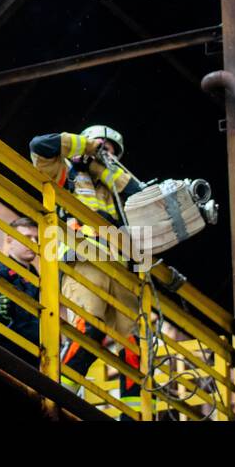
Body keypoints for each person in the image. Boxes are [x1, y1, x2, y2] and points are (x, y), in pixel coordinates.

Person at [29, 124, 145, 417]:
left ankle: (133, 415)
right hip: (83, 257)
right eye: (101, 146)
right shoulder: (66, 173)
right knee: (89, 331)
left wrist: (106, 170)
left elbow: (143, 197)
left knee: (133, 346)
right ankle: (57, 397)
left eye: (110, 151)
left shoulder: (117, 191)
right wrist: (86, 148)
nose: (105, 153)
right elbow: (40, 144)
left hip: (120, 269)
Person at [0, 214, 42, 367]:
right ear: (9, 239)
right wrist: (1, 313)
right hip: (6, 356)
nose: (34, 243)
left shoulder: (35, 275)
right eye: (27, 237)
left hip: (34, 355)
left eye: (37, 238)